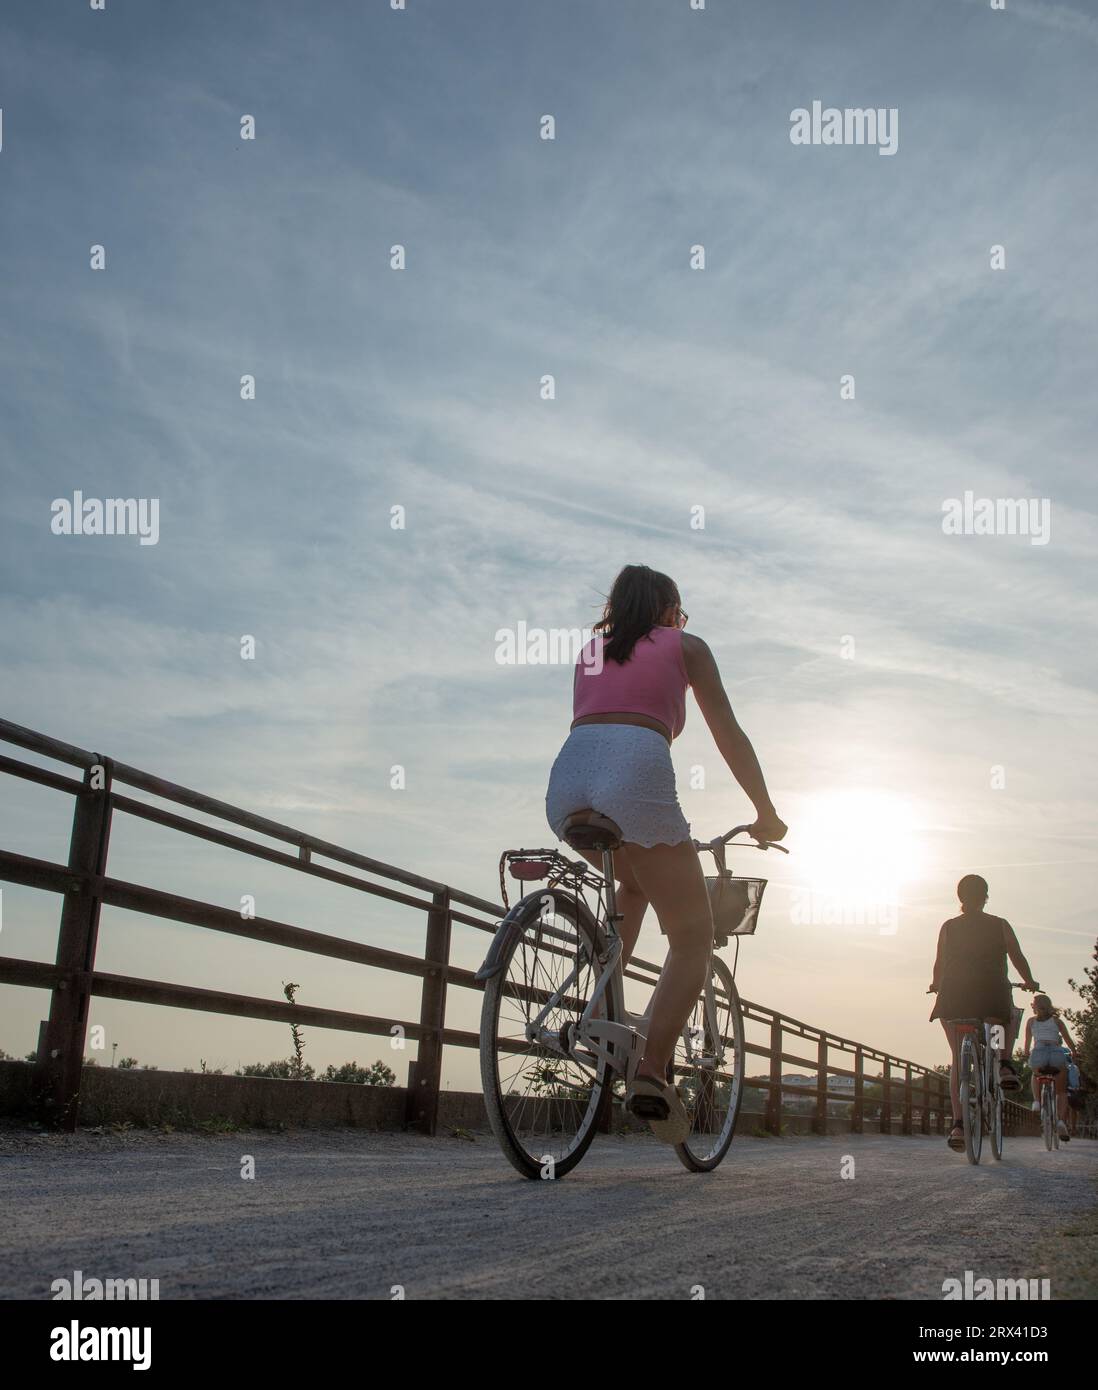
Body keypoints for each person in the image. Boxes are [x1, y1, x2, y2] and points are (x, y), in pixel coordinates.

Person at [545, 564, 786, 1143]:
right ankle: (652, 1072)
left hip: (567, 781)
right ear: (670, 608)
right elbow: (728, 731)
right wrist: (766, 810)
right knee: (694, 935)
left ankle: (600, 1013)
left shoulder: (589, 652)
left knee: (634, 886)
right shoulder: (687, 646)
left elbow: (594, 723)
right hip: (636, 770)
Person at [927, 874, 1038, 1152]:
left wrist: (935, 984)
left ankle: (959, 1124)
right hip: (991, 992)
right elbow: (1017, 955)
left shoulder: (949, 927)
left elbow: (939, 961)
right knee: (1004, 1017)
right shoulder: (999, 925)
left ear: (960, 897)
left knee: (956, 1058)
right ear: (985, 896)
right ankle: (1003, 1064)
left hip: (954, 996)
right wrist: (1029, 980)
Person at [1024, 994, 1077, 1143]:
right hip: (1056, 1052)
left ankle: (1036, 1102)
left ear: (1037, 1006)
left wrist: (1027, 1054)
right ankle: (1061, 1121)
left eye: (1033, 1003)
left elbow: (1027, 1045)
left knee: (1035, 1075)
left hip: (1039, 1052)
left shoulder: (1030, 1022)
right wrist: (1074, 1052)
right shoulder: (1057, 1021)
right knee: (1061, 1091)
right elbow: (1067, 1039)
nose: (1031, 1005)